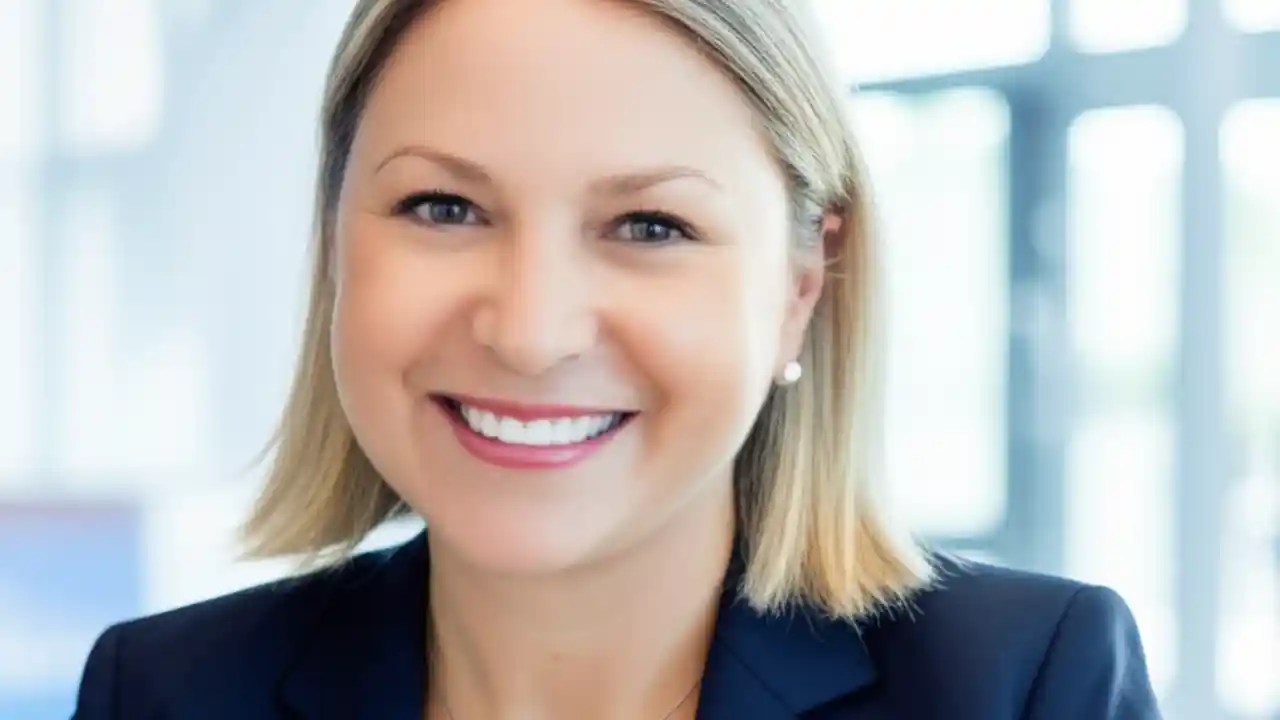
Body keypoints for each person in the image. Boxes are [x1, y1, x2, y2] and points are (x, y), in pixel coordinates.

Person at [72, 0, 1162, 718]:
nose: (531, 331)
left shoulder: (1019, 686)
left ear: (800, 289)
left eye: (649, 226)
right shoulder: (166, 693)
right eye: (442, 206)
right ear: (333, 246)